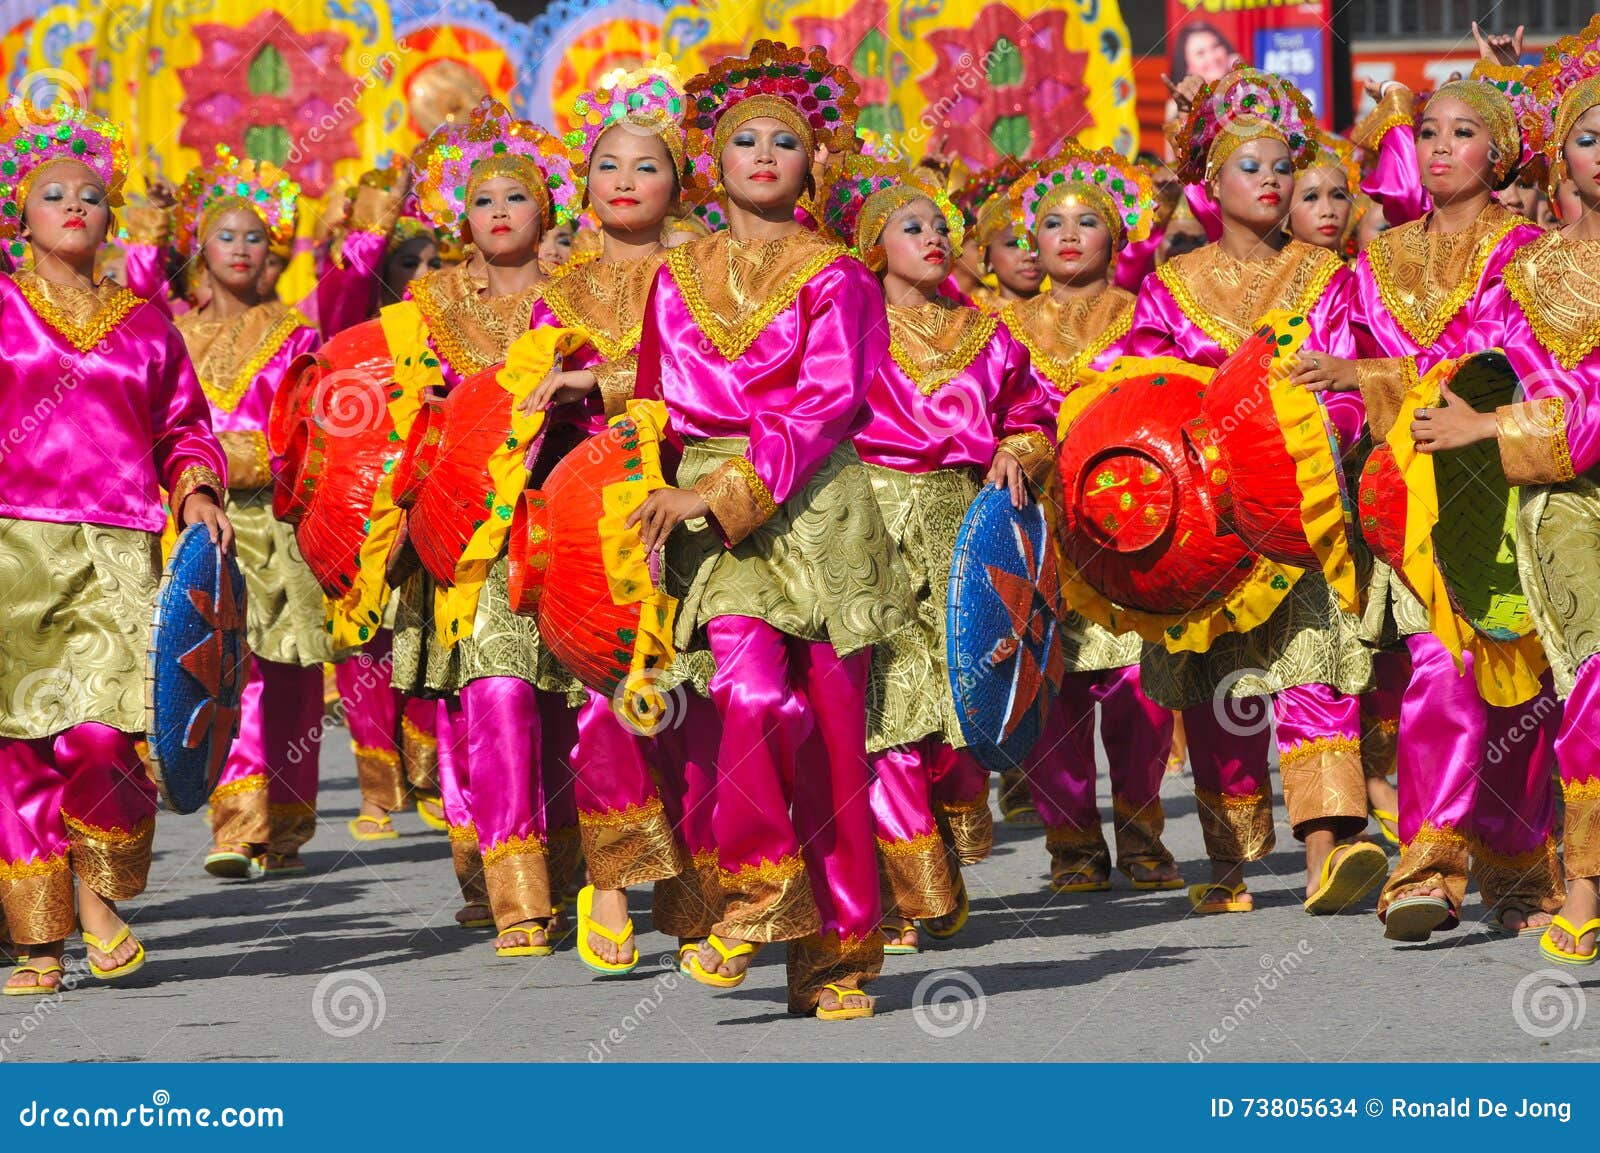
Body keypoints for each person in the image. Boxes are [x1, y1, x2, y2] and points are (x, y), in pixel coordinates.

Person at [628, 41, 914, 1020]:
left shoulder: (839, 277)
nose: (761, 155)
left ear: (811, 165)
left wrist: (716, 492)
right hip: (716, 530)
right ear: (711, 158)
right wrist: (636, 499)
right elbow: (649, 408)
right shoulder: (674, 279)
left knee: (832, 737)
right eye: (741, 139)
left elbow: (830, 400)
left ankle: (834, 960)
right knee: (747, 696)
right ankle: (754, 894)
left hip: (818, 513)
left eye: (783, 142)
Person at [1312, 61, 1561, 942]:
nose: (1442, 146)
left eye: (1463, 132)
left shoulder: (1528, 255)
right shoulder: (1376, 259)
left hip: (1507, 492)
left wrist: (1373, 379)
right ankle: (1429, 861)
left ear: (1501, 155)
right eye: (1428, 131)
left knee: (1520, 683)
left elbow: (1529, 371)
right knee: (1439, 674)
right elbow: (1342, 387)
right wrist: (1327, 403)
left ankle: (1523, 866)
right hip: (1411, 503)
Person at [1130, 67, 1387, 917]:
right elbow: (1134, 383)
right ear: (1210, 184)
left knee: (1316, 670)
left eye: (1283, 166)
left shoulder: (1327, 274)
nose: (1273, 181)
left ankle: (1327, 851)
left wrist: (1335, 405)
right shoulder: (1169, 286)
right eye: (1252, 167)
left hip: (1303, 502)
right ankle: (1231, 861)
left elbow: (1351, 380)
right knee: (1221, 686)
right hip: (1202, 513)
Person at [0, 100, 231, 992]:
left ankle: (97, 893)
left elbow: (184, 430)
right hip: (16, 553)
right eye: (51, 193)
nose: (72, 206)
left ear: (109, 215)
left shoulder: (146, 325)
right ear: (18, 214)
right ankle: (39, 940)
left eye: (90, 195)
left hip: (119, 554)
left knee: (105, 737)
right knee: (20, 746)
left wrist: (199, 486)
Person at [511, 60, 723, 976]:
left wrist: (607, 382)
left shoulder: (710, 275)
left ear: (679, 183)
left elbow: (718, 385)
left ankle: (707, 888)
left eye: (648, 166)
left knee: (701, 699)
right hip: (598, 518)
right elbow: (526, 397)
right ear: (584, 187)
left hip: (699, 497)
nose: (627, 181)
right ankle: (609, 872)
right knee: (611, 700)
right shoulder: (557, 293)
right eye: (609, 166)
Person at [823, 156, 1057, 951]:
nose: (930, 237)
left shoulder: (987, 333)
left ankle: (952, 834)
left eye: (938, 226)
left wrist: (1018, 453)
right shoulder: (843, 331)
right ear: (872, 246)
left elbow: (1031, 414)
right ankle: (910, 889)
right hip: (870, 525)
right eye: (909, 226)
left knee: (965, 703)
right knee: (887, 709)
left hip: (966, 526)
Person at [1414, 14, 1600, 963]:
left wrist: (1488, 426)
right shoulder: (1528, 267)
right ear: (1559, 158)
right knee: (1577, 681)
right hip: (1566, 503)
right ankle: (1576, 883)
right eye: (1590, 133)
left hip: (1544, 459)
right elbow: (1463, 361)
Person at [383, 98, 589, 954]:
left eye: (518, 197)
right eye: (482, 200)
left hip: (562, 523)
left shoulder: (578, 300)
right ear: (459, 218)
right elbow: (393, 410)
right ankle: (516, 896)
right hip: (464, 540)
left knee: (568, 711)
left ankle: (582, 875)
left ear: (546, 213)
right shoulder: (427, 306)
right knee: (490, 698)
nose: (500, 212)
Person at [1000, 145, 1182, 895]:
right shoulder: (1000, 326)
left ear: (1116, 236)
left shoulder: (1146, 314)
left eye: (1087, 221)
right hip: (1036, 529)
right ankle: (1072, 847)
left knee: (1139, 687)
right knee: (1051, 691)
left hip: (1129, 523)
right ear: (1031, 241)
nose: (1068, 234)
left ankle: (1143, 839)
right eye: (1050, 222)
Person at [162, 147, 333, 880]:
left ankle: (287, 821)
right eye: (224, 235)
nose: (239, 248)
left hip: (280, 523)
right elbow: (162, 422)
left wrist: (232, 459)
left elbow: (308, 429)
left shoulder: (297, 334)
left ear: (274, 248)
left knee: (290, 674)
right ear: (197, 248)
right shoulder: (169, 332)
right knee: (227, 667)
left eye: (253, 236)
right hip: (203, 525)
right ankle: (236, 822)